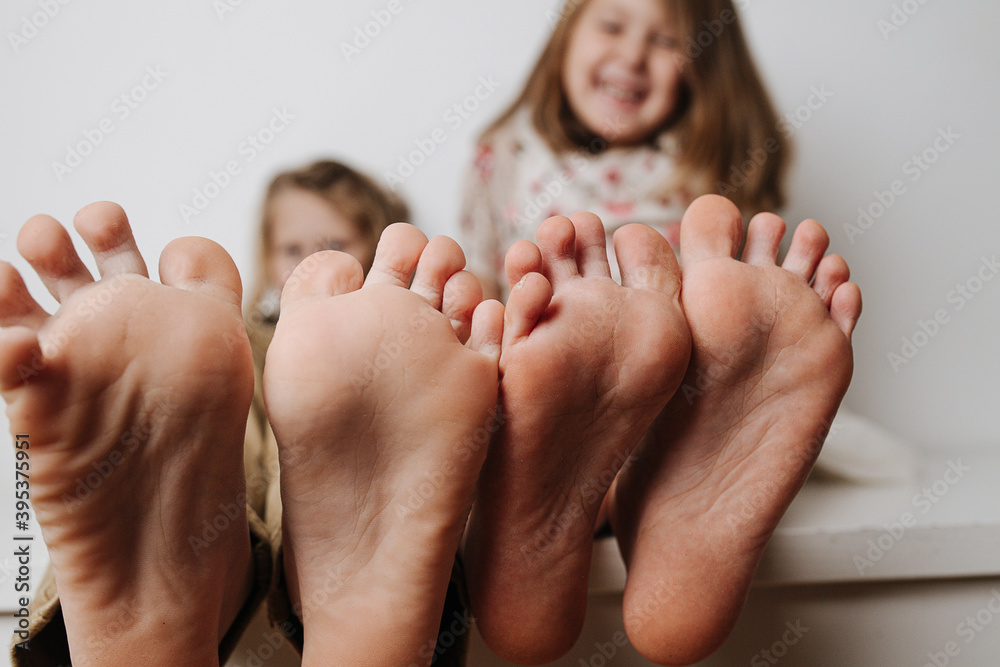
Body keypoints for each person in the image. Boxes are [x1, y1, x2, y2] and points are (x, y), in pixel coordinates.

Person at [2, 161, 472, 666]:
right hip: (234, 377)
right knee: (218, 411)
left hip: (372, 383)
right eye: (293, 249)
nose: (311, 260)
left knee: (316, 464)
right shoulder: (219, 340)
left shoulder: (414, 345)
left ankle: (230, 573)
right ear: (268, 256)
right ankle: (197, 543)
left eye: (334, 243)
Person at [459, 0, 789, 301]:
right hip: (521, 353)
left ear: (707, 69)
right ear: (566, 36)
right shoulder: (506, 156)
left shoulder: (714, 178)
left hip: (676, 358)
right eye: (612, 27)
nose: (633, 56)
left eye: (666, 41)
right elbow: (481, 279)